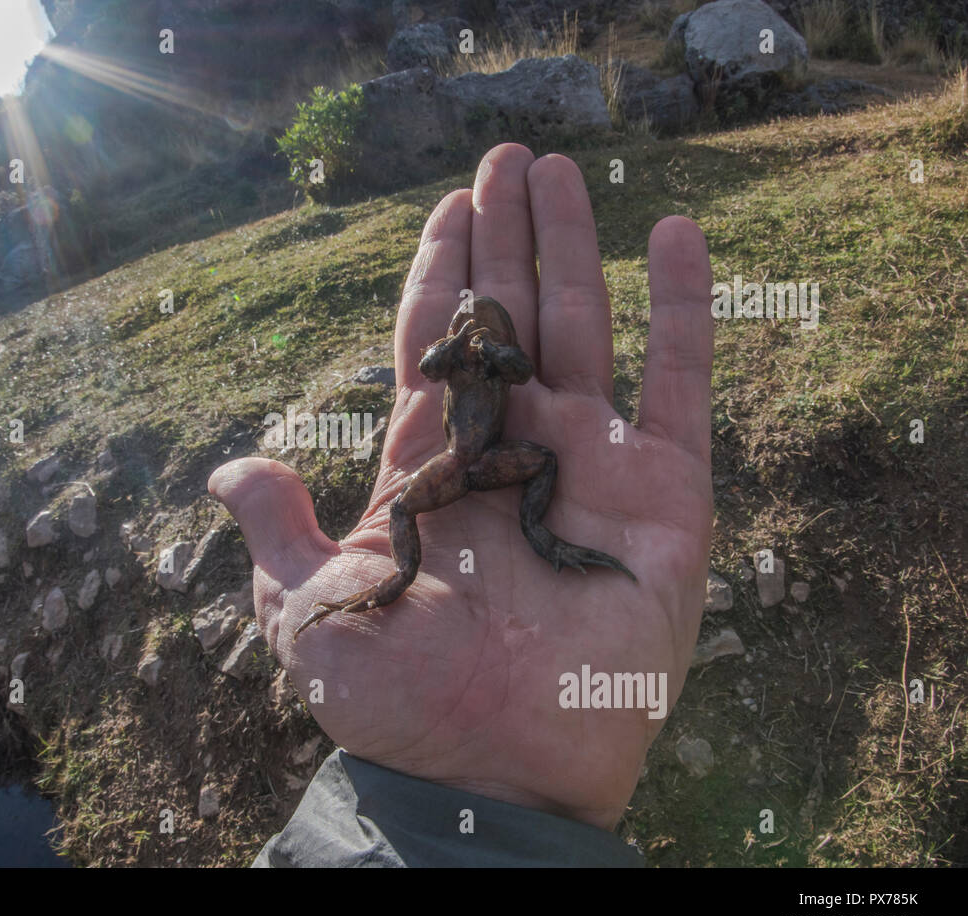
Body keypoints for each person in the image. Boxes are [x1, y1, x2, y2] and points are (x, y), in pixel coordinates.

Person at [209, 145, 715, 866]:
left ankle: (545, 538)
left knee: (543, 460)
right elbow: (423, 368)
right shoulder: (452, 354)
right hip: (457, 464)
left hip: (491, 463)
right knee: (405, 511)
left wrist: (492, 344)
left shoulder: (503, 357)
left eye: (485, 312)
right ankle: (396, 581)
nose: (475, 314)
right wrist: (455, 341)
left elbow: (522, 369)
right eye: (468, 311)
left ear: (501, 324)